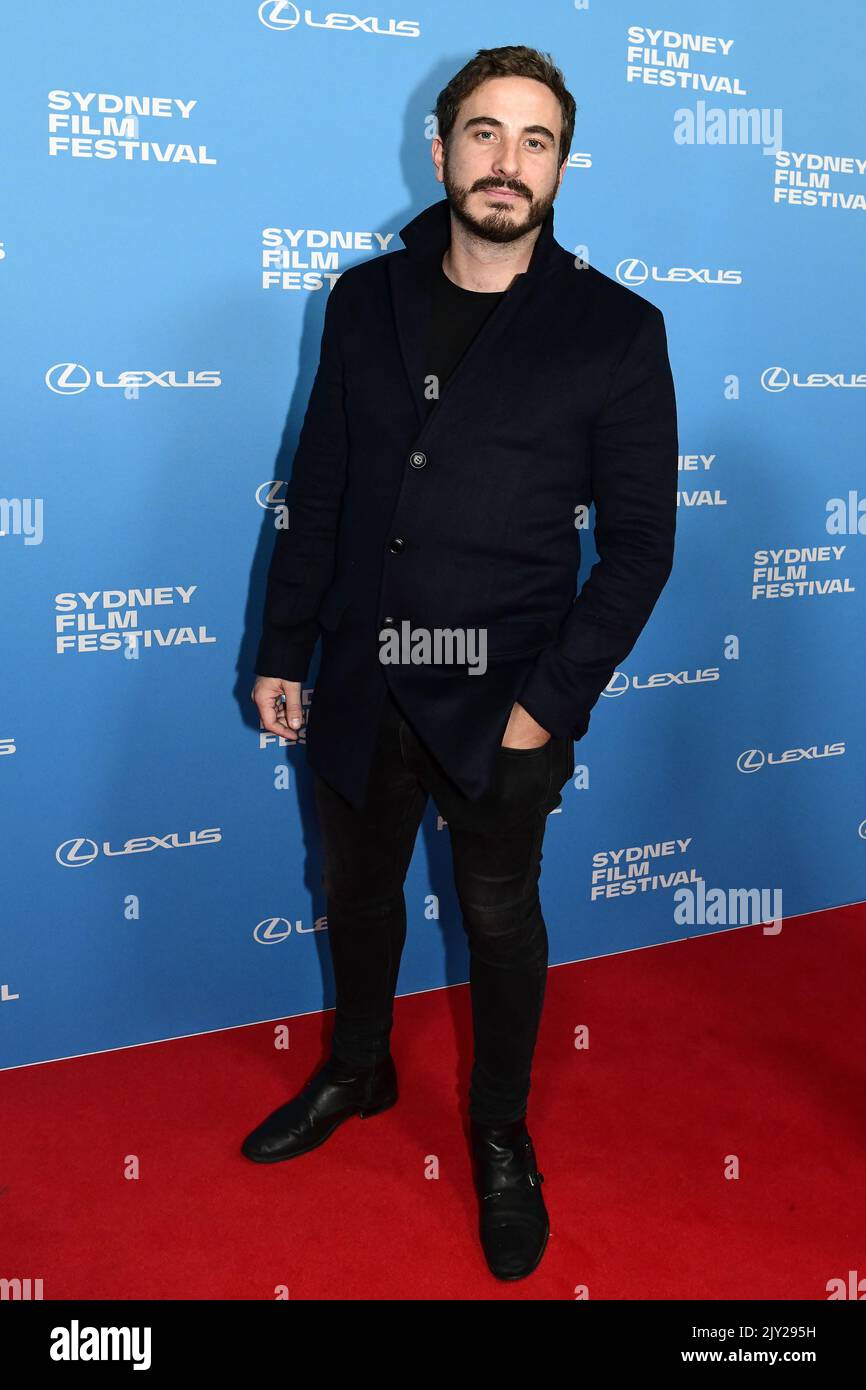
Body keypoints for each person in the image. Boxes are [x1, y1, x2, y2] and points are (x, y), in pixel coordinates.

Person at [244, 45, 678, 1282]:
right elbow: (320, 486)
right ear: (438, 151)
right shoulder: (362, 301)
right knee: (359, 888)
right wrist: (285, 644)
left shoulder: (615, 329)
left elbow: (640, 546)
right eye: (482, 134)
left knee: (498, 924)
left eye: (533, 140)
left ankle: (497, 1133)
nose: (505, 161)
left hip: (505, 699)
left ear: (559, 165)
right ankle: (358, 1067)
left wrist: (550, 701)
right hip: (359, 677)